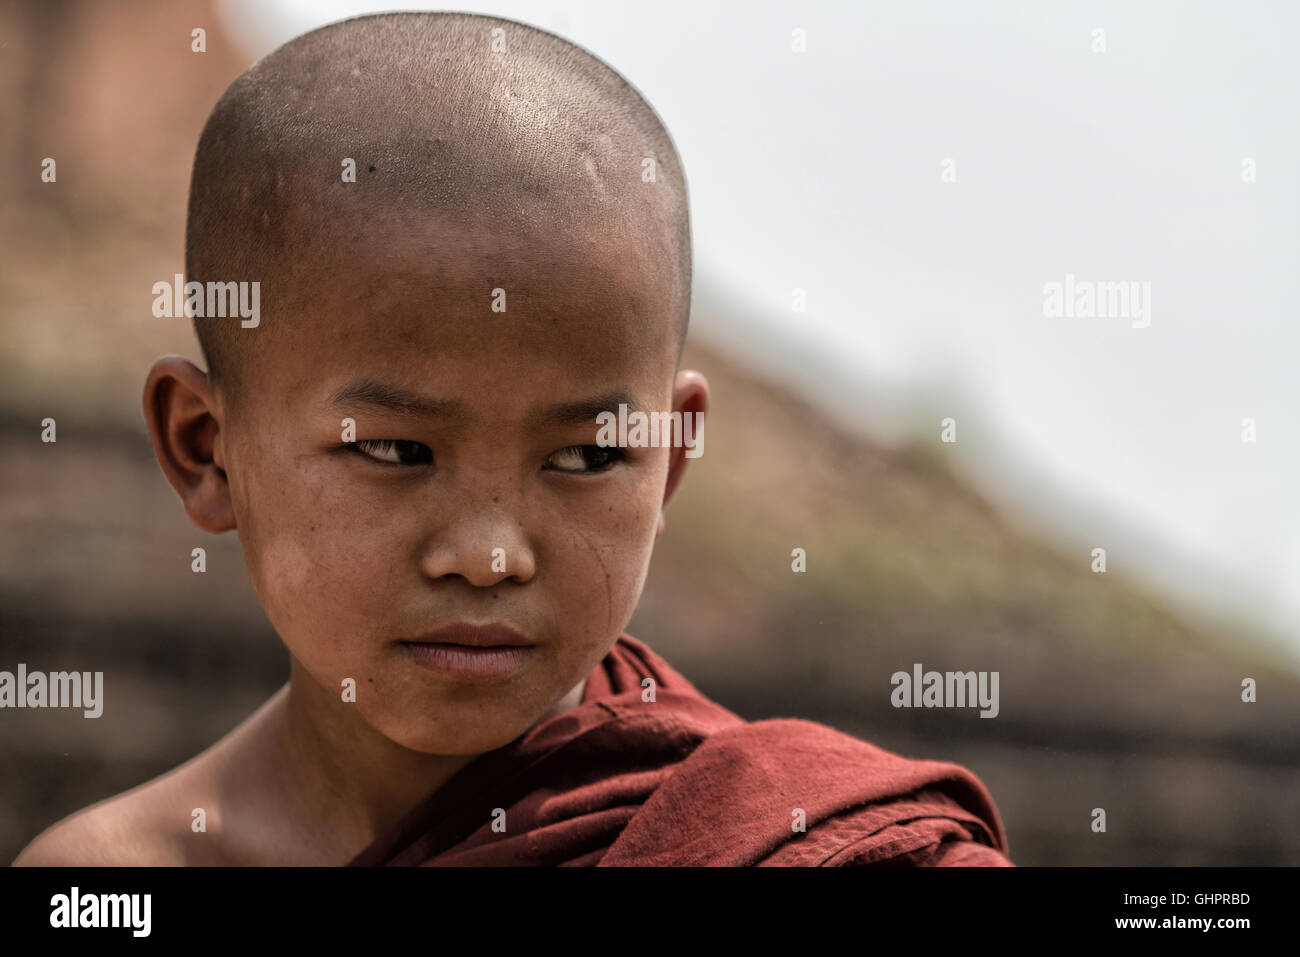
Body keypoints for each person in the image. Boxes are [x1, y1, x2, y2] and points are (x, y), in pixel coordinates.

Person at [14, 11, 1010, 866]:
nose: (489, 557)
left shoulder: (808, 843)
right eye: (396, 451)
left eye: (585, 457)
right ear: (203, 449)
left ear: (669, 455)